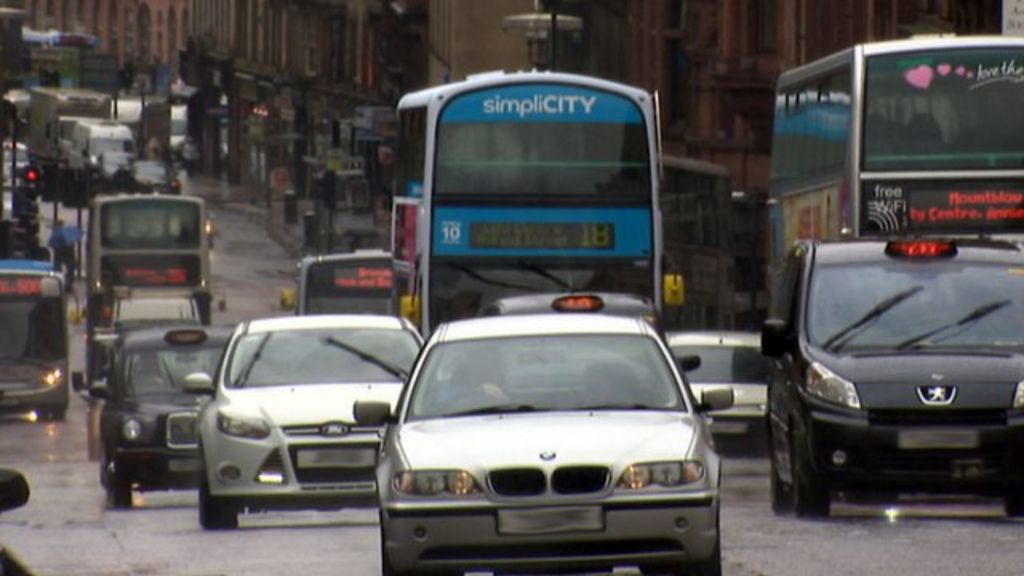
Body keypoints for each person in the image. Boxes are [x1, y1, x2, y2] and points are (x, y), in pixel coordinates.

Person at [47, 219, 75, 290]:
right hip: (68, 256)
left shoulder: (56, 235)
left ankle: (62, 284)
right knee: (69, 271)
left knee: (59, 270)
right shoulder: (68, 234)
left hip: (60, 257)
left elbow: (50, 244)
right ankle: (68, 284)